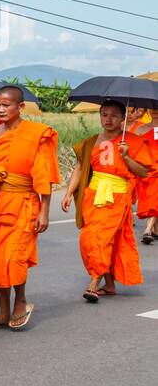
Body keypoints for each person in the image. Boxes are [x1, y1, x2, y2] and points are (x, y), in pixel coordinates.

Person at [0, 86, 59, 331]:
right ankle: (4, 311)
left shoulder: (39, 133)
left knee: (14, 257)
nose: (1, 109)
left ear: (21, 107)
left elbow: (44, 174)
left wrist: (45, 210)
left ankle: (21, 300)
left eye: (7, 105)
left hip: (24, 202)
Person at [62, 100, 153, 301]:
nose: (108, 119)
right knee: (89, 240)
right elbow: (79, 167)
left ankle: (93, 284)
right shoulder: (91, 141)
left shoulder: (132, 142)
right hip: (92, 196)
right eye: (104, 114)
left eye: (113, 115)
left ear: (122, 118)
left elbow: (145, 172)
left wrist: (127, 157)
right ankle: (110, 285)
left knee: (99, 239)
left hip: (117, 197)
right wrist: (69, 192)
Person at [125, 106, 158, 244]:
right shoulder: (141, 129)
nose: (155, 111)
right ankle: (155, 230)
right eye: (153, 108)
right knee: (149, 197)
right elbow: (134, 149)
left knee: (156, 196)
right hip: (145, 169)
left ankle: (147, 230)